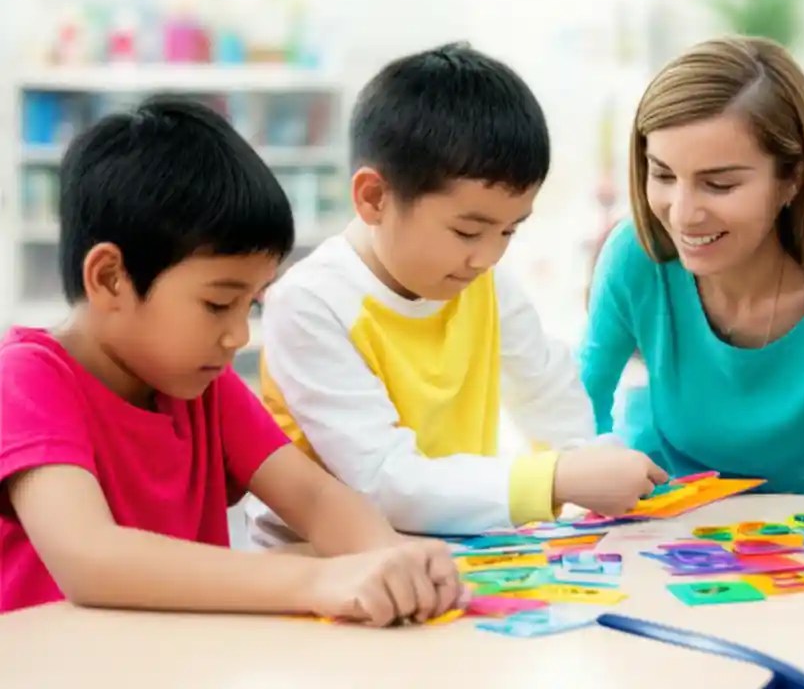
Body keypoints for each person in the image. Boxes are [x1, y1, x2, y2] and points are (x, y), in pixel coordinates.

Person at [0, 98, 462, 626]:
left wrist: (389, 559)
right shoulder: (27, 380)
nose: (238, 335)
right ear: (110, 278)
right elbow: (89, 558)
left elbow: (314, 498)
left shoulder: (202, 388)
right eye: (218, 304)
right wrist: (319, 581)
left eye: (252, 304)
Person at [246, 43, 666, 545]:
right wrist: (557, 478)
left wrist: (596, 462)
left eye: (509, 232)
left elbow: (549, 395)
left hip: (452, 551)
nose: (488, 256)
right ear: (374, 198)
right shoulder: (310, 304)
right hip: (322, 564)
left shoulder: (483, 283)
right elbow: (381, 480)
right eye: (469, 232)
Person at [580, 36, 804, 498]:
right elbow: (575, 410)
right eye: (663, 175)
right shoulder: (637, 255)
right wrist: (585, 473)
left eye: (719, 184)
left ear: (792, 179)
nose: (682, 214)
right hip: (656, 517)